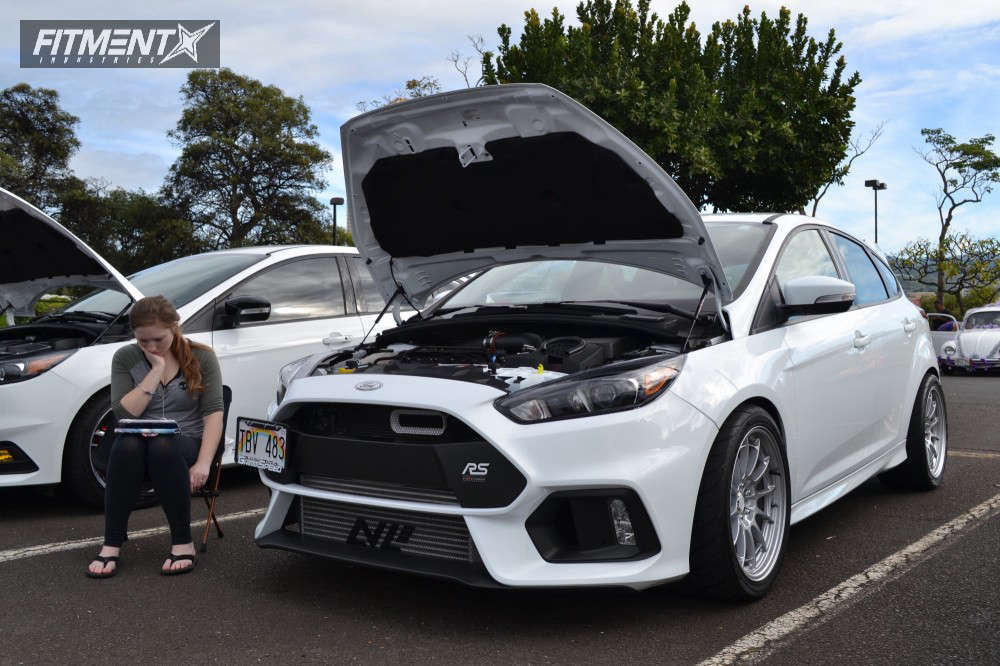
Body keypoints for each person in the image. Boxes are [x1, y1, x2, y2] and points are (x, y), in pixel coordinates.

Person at [86, 295, 224, 578]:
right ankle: (112, 543)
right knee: (128, 445)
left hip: (186, 440)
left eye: (158, 340)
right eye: (143, 341)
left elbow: (213, 413)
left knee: (162, 445)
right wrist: (156, 369)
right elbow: (125, 413)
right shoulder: (126, 358)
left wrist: (203, 464)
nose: (151, 347)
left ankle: (183, 542)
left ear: (175, 327)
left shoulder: (203, 357)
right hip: (136, 439)